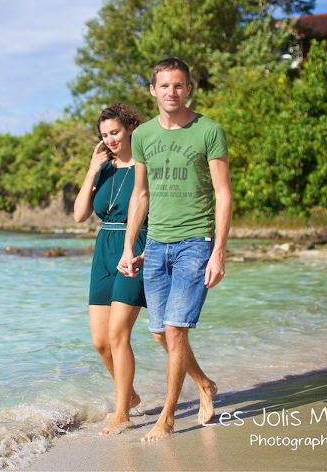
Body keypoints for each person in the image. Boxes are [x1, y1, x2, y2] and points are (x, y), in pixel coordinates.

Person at [118, 57, 232, 442]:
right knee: (159, 333)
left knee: (175, 328)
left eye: (178, 85)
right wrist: (129, 246)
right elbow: (141, 194)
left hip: (195, 243)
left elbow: (223, 194)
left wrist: (218, 251)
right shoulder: (144, 136)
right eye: (164, 85)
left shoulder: (209, 131)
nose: (172, 92)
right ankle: (204, 384)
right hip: (156, 244)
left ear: (189, 89)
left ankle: (166, 418)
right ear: (153, 90)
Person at [73, 102, 148, 436]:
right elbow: (79, 215)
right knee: (100, 342)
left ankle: (122, 414)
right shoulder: (103, 168)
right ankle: (128, 395)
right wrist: (91, 169)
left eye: (115, 132)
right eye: (105, 135)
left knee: (119, 335)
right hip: (103, 249)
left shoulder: (146, 164)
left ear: (130, 128)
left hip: (135, 247)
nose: (111, 139)